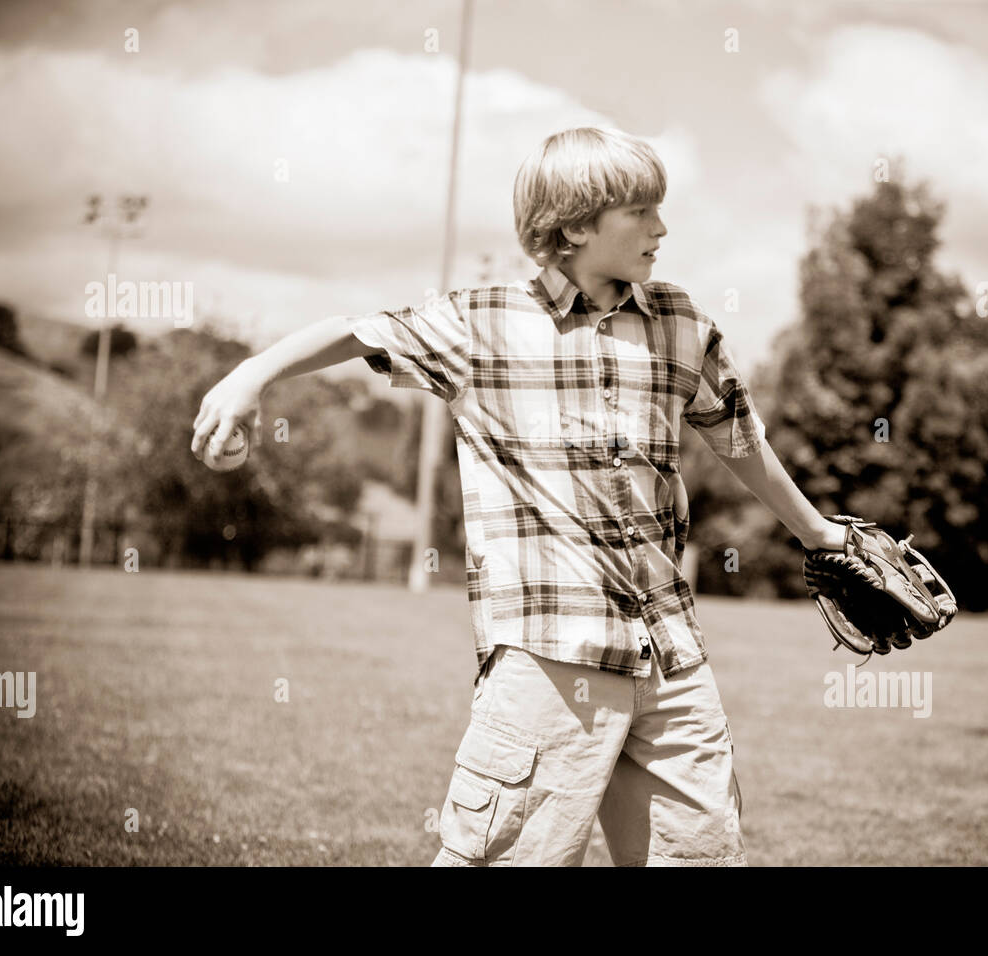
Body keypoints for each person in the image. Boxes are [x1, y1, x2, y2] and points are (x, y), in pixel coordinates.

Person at [191, 126, 847, 866]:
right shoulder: (480, 323)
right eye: (641, 212)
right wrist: (249, 377)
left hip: (671, 661)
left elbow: (738, 438)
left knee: (705, 859)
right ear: (574, 226)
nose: (662, 229)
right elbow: (356, 332)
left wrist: (819, 533)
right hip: (548, 662)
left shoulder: (682, 324)